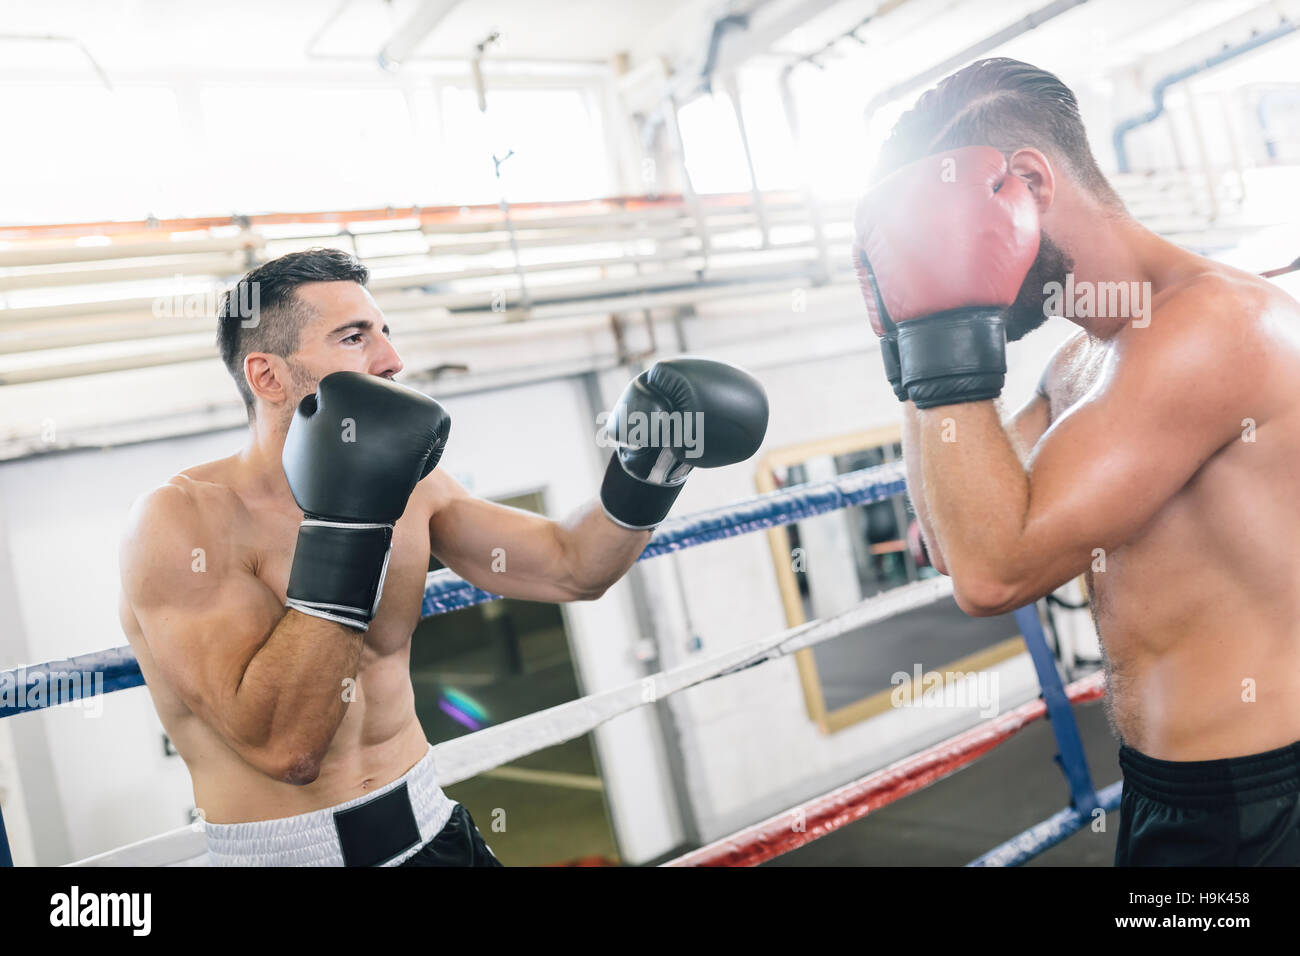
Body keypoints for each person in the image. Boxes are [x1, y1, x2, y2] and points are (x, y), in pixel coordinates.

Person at [118, 248, 768, 866]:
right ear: (268, 375)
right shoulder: (183, 522)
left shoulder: (414, 488)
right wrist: (349, 521)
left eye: (386, 332)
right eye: (354, 337)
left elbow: (573, 566)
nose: (393, 359)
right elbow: (287, 749)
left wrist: (647, 469)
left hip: (433, 831)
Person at [852, 58, 1300, 865]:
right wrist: (908, 340)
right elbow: (955, 540)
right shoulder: (1079, 368)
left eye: (935, 226)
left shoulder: (1213, 329)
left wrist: (941, 326)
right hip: (1170, 793)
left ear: (1025, 179)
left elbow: (994, 577)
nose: (935, 254)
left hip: (1265, 805)